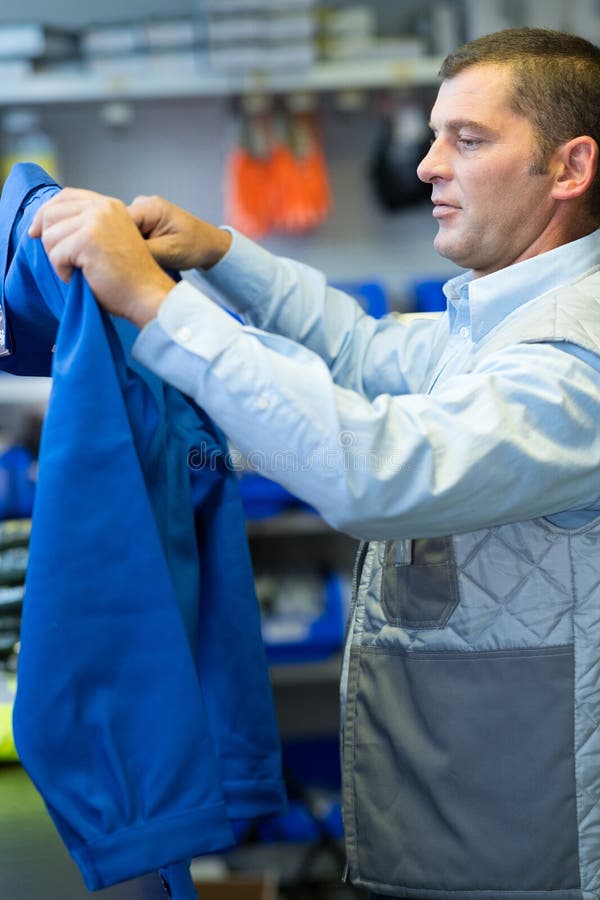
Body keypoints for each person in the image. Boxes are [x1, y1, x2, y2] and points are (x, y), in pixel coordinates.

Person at [29, 26, 600, 900]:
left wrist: (152, 306)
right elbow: (363, 351)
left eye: (468, 140)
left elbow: (380, 473)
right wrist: (220, 253)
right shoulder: (498, 324)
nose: (426, 166)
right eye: (437, 133)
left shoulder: (573, 362)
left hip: (530, 854)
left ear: (570, 169)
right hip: (458, 833)